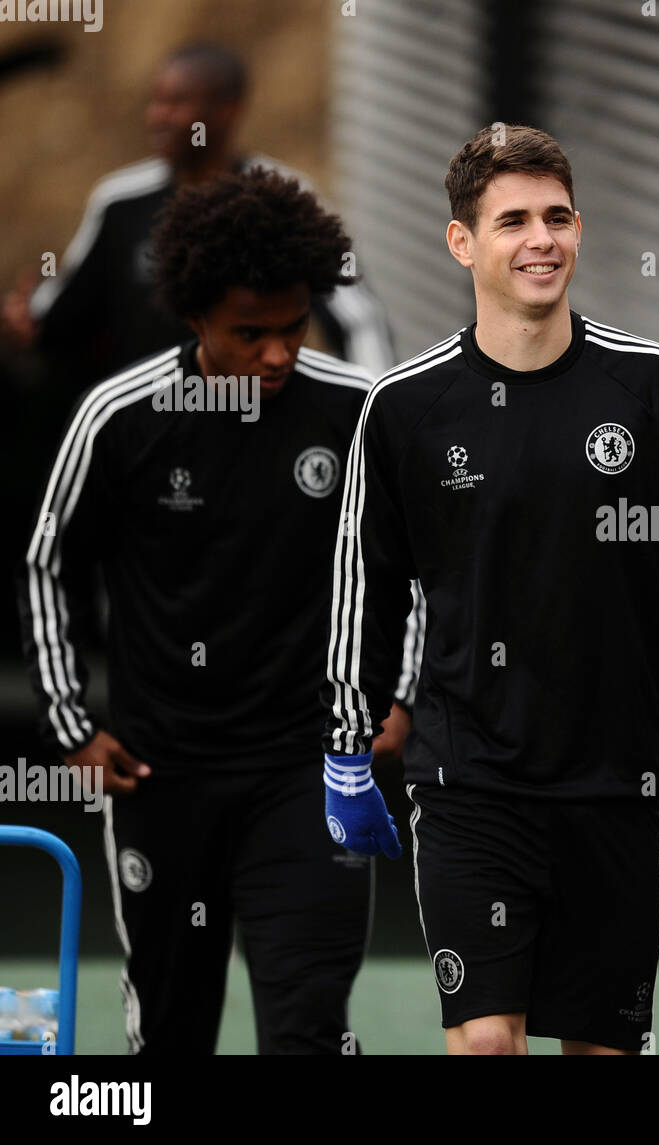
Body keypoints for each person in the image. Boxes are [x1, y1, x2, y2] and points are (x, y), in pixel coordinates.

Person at [320, 124, 659, 1055]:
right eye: (513, 221)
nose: (542, 239)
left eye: (558, 217)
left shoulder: (649, 388)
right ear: (463, 242)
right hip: (468, 780)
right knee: (488, 1039)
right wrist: (346, 745)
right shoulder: (405, 409)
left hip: (614, 785)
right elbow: (365, 594)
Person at [18, 167, 422, 1055]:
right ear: (194, 316)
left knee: (308, 1028)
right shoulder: (118, 419)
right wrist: (74, 723)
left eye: (292, 327)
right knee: (169, 1032)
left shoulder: (356, 412)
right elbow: (52, 566)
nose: (277, 354)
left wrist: (400, 691)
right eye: (250, 334)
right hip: (163, 777)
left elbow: (414, 566)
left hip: (311, 772)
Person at [2, 41, 393, 396]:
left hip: (250, 423)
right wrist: (32, 318)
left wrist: (377, 413)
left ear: (228, 110)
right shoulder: (120, 202)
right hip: (149, 430)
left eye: (178, 102)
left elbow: (358, 319)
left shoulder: (284, 198)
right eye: (157, 101)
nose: (159, 116)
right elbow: (64, 310)